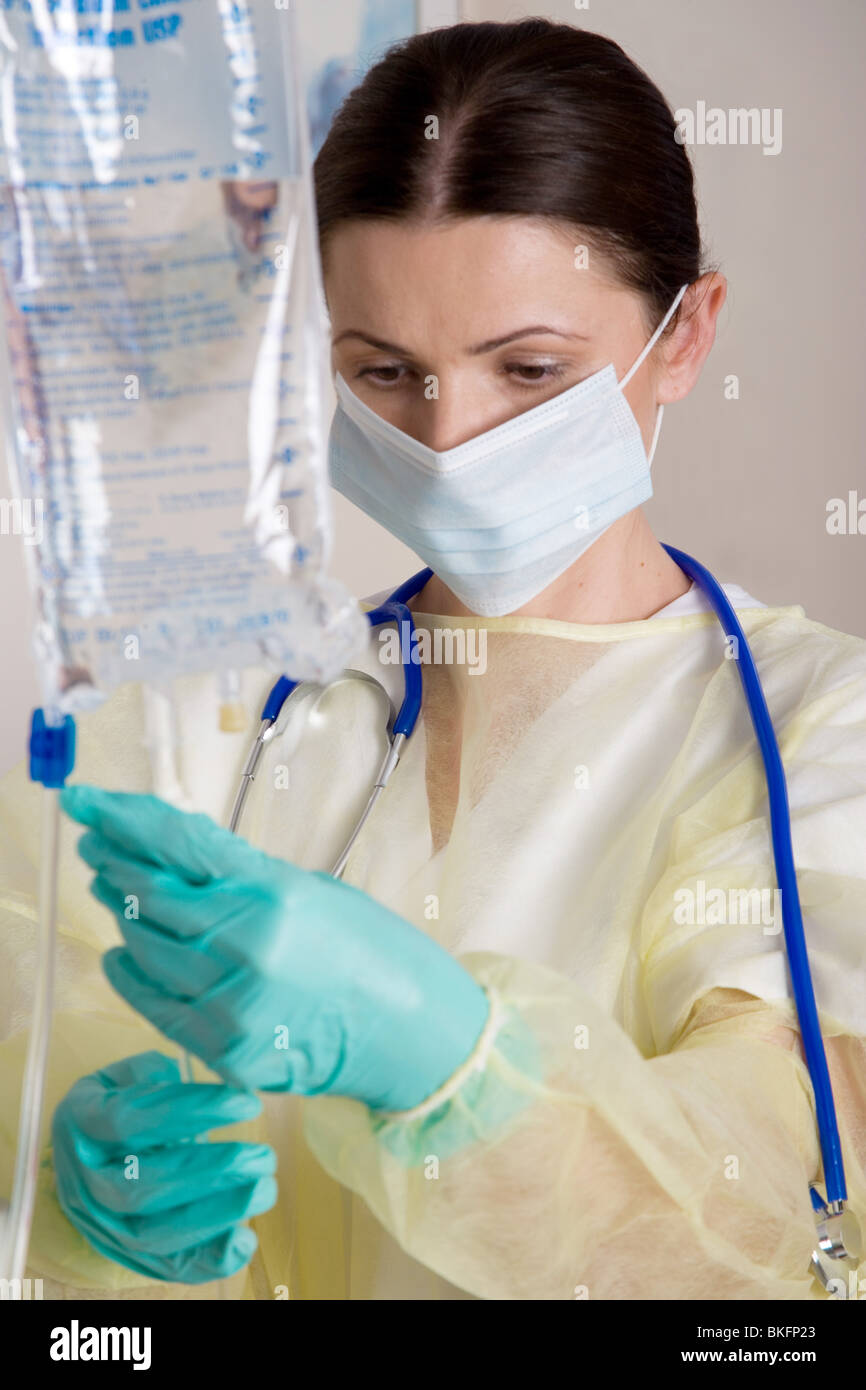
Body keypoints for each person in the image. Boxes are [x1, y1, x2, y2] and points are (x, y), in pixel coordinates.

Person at [2, 18, 865, 1302]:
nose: (450, 436)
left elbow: (772, 1213)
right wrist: (76, 1190)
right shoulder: (212, 719)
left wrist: (452, 1072)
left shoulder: (814, 731)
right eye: (386, 370)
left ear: (682, 337)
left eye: (527, 370)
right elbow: (38, 1062)